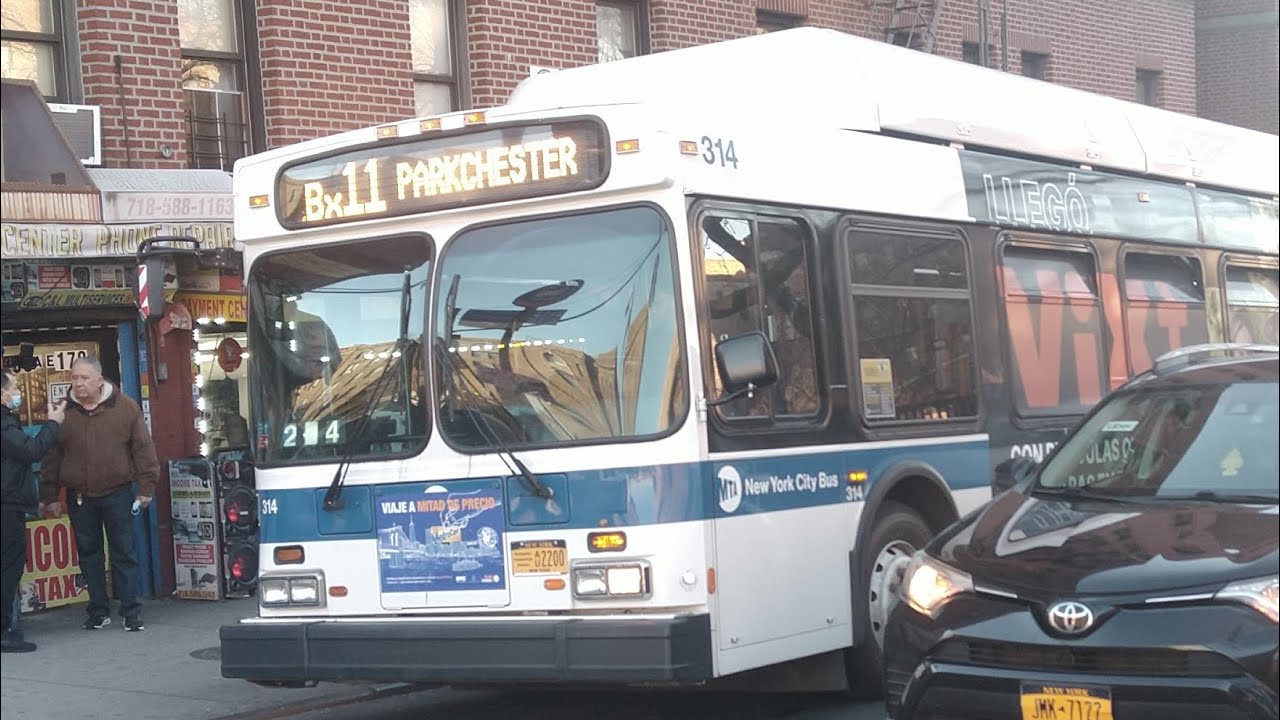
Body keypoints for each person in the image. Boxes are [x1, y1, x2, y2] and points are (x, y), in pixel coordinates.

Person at [39, 357, 158, 632]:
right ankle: (98, 611)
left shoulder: (126, 407)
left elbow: (143, 449)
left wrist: (145, 489)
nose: (78, 383)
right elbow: (51, 457)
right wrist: (50, 496)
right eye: (75, 378)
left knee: (124, 553)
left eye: (84, 378)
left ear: (100, 379)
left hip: (118, 493)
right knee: (89, 555)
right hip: (80, 496)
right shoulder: (63, 412)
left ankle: (130, 611)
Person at [2, 368, 64, 652]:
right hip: (6, 505)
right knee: (8, 568)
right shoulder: (4, 425)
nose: (18, 394)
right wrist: (53, 423)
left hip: (10, 502)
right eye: (14, 388)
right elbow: (31, 450)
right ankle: (5, 632)